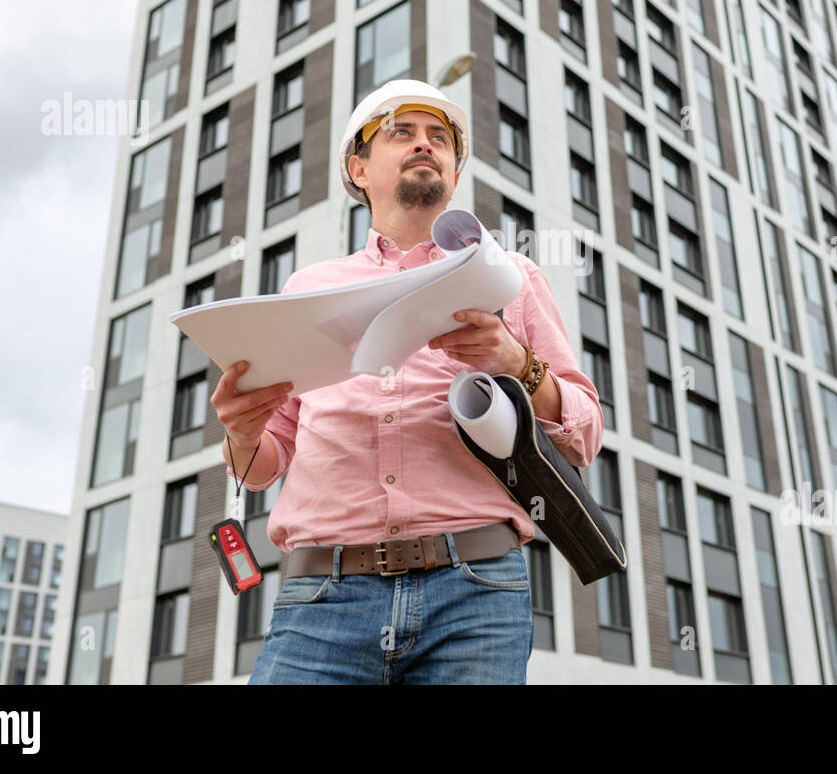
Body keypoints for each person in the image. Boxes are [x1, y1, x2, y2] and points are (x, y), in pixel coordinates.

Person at [211, 78, 604, 684]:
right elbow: (264, 465)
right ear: (358, 168)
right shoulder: (308, 289)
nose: (426, 144)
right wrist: (241, 432)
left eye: (440, 138)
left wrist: (518, 362)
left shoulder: (510, 278)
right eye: (403, 132)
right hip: (322, 599)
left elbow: (583, 434)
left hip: (474, 595)